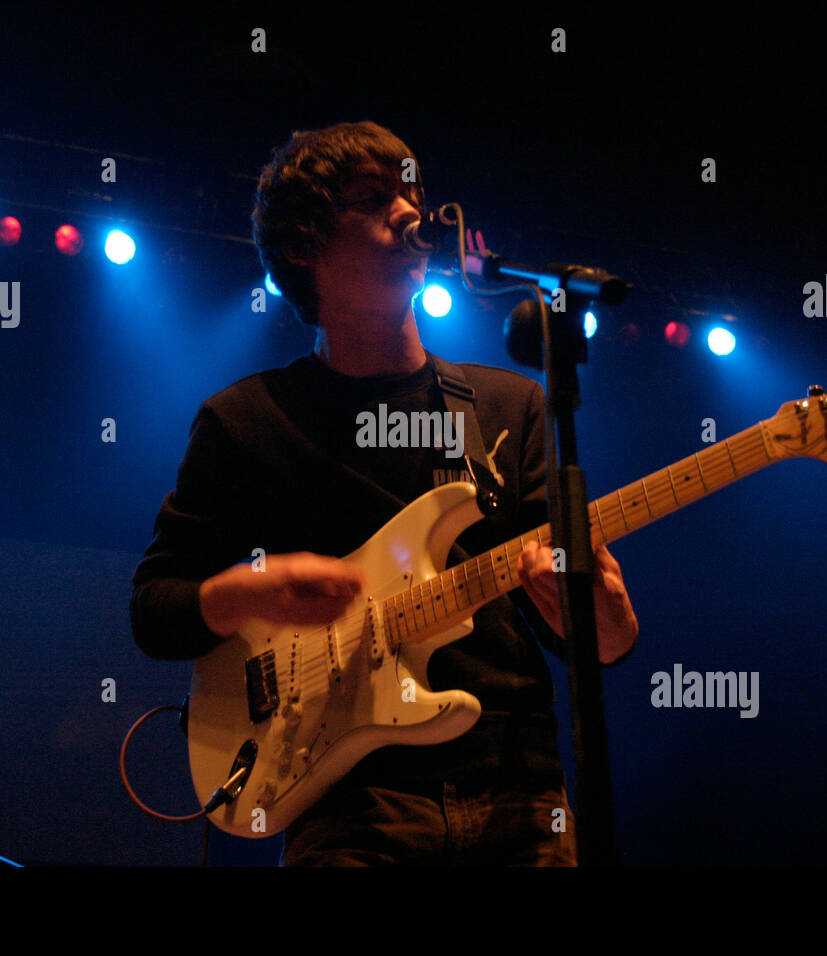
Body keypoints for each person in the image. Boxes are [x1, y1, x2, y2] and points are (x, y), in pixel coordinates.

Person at [130, 120, 638, 865]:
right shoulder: (245, 422)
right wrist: (251, 588)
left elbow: (591, 641)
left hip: (519, 793)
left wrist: (607, 617)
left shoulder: (508, 406)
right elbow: (155, 612)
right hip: (350, 810)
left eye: (413, 193)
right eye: (375, 199)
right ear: (303, 246)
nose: (410, 214)